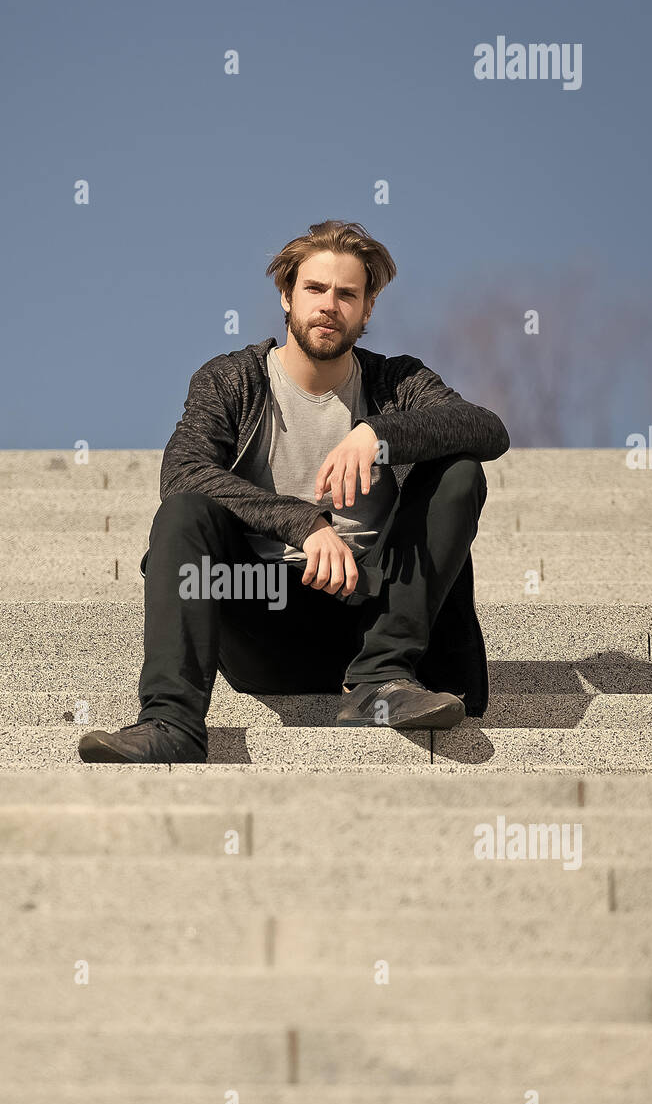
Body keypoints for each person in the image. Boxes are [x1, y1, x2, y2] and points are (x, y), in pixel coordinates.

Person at [79, 220, 510, 765]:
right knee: (185, 513)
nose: (330, 305)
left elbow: (487, 428)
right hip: (264, 615)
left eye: (347, 294)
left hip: (378, 622)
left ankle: (380, 676)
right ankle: (172, 721)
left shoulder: (397, 383)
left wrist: (378, 434)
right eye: (315, 289)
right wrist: (304, 523)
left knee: (460, 472)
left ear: (367, 309)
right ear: (286, 295)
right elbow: (183, 471)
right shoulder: (231, 379)